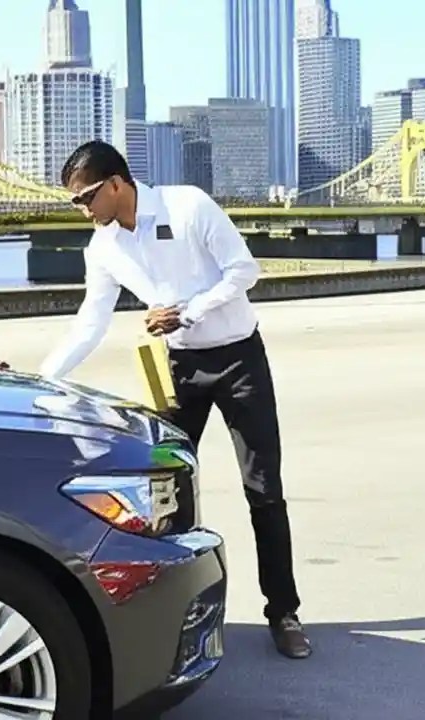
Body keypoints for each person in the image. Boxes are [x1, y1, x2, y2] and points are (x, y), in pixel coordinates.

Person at [25, 140, 311, 659]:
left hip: (240, 359)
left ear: (116, 184)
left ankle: (284, 611)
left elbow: (244, 271)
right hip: (179, 370)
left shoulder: (188, 205)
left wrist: (186, 312)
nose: (83, 210)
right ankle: (167, 619)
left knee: (263, 488)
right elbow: (91, 322)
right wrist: (42, 377)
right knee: (161, 496)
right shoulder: (104, 247)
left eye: (86, 197)